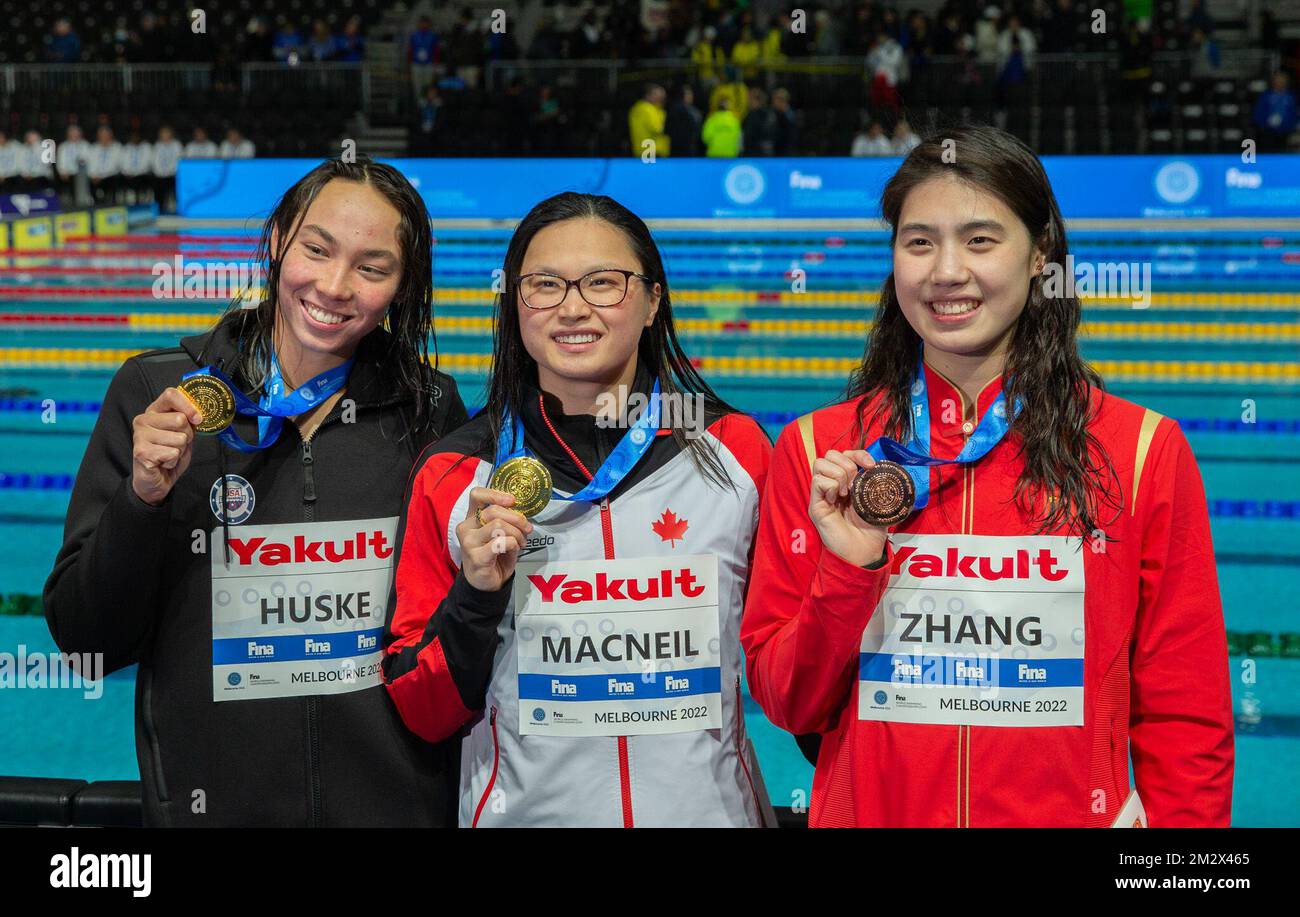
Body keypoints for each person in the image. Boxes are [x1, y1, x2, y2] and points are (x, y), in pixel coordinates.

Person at [741, 125, 1234, 827]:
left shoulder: (1141, 450)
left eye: (980, 240)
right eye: (919, 242)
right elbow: (789, 701)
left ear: (1039, 255)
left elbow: (1187, 715)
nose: (946, 270)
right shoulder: (822, 450)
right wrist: (849, 570)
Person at [44, 157, 470, 827]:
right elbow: (85, 637)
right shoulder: (156, 392)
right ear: (276, 241)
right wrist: (142, 498)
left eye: (372, 266)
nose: (334, 286)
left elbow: (453, 639)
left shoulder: (431, 410)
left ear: (401, 285)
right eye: (316, 248)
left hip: (395, 809)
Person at [382, 192, 773, 827]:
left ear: (652, 302)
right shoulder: (456, 476)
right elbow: (424, 712)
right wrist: (476, 595)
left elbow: (789, 678)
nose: (572, 307)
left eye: (603, 283)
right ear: (515, 305)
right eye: (544, 285)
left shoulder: (735, 451)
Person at [628, 83, 670, 158]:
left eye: (662, 95)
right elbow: (659, 129)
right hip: (651, 152)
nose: (660, 97)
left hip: (647, 151)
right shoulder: (646, 108)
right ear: (647, 95)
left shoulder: (653, 109)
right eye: (656, 94)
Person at [151, 125, 183, 213]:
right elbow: (155, 160)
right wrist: (160, 172)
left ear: (171, 134)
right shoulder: (157, 145)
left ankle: (178, 208)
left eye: (166, 133)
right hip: (160, 174)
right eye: (162, 134)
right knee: (158, 183)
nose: (164, 136)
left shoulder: (176, 145)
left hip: (173, 174)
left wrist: (170, 171)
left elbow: (178, 160)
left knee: (175, 183)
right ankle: (160, 209)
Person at [665, 85, 703, 157]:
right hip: (682, 150)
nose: (691, 96)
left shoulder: (692, 110)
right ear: (681, 95)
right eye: (688, 94)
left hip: (689, 148)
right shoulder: (678, 110)